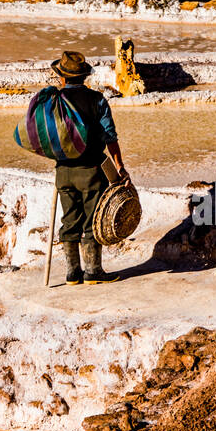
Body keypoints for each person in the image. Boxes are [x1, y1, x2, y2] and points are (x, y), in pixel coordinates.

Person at [48, 50, 128, 284]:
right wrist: (119, 166)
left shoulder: (54, 102)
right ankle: (93, 272)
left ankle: (72, 274)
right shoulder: (97, 100)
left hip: (63, 171)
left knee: (69, 220)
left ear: (62, 78)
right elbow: (110, 137)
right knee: (93, 219)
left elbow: (47, 135)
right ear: (84, 77)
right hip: (92, 171)